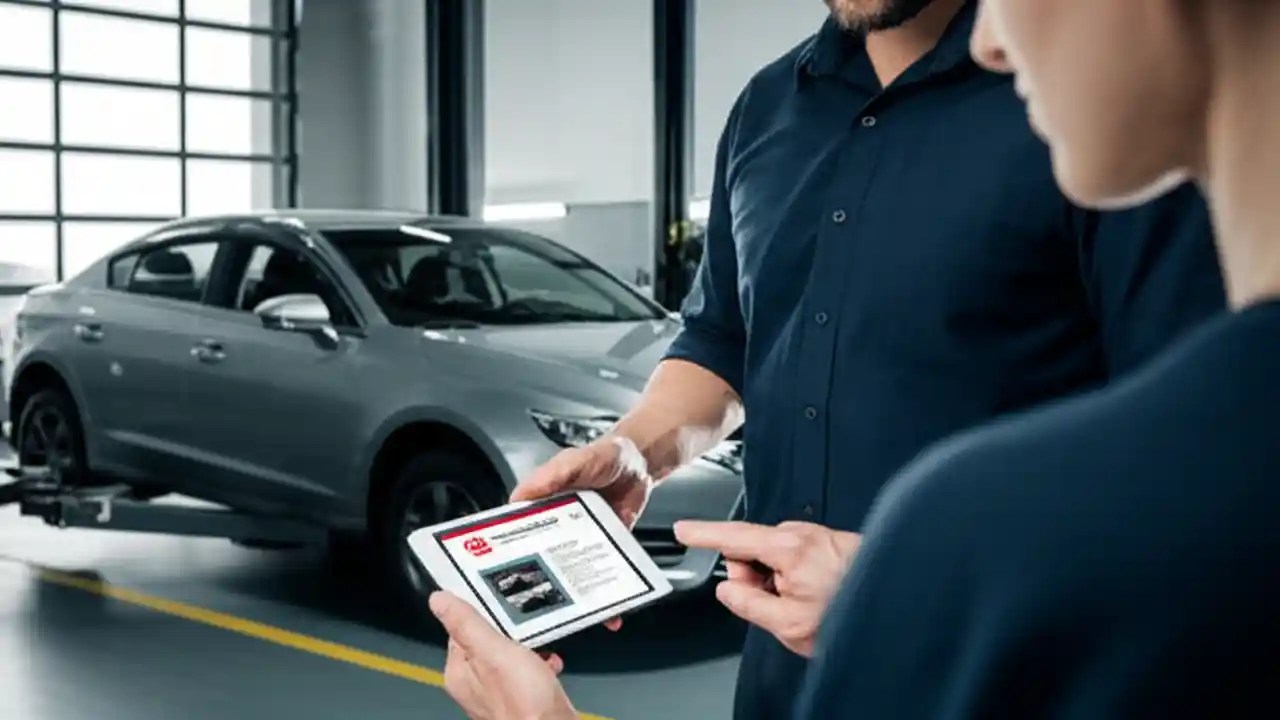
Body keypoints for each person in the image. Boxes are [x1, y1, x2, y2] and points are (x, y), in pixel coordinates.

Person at [429, 0, 1280, 716]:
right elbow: (724, 334)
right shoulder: (766, 107)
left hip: (1005, 660)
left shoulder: (1100, 112)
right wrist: (638, 447)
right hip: (779, 665)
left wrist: (907, 593)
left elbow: (1194, 451)